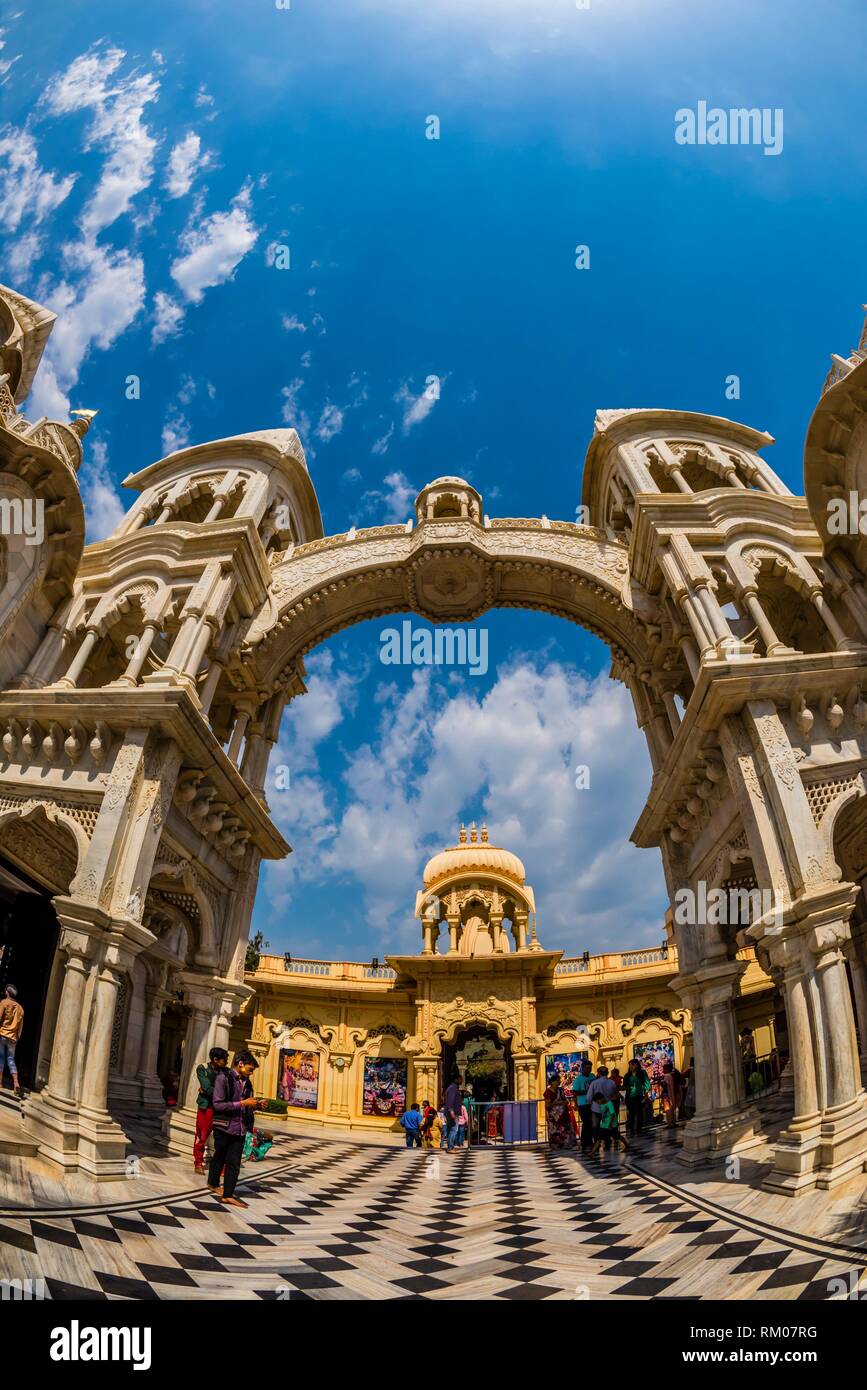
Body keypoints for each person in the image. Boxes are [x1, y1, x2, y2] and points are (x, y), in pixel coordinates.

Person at [207, 1051, 266, 1207]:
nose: (251, 1073)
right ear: (240, 1063)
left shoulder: (248, 1083)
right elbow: (218, 1104)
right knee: (219, 1156)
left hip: (239, 1128)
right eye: (250, 1069)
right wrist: (243, 1103)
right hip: (224, 1126)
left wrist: (256, 1106)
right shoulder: (223, 1078)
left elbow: (246, 1107)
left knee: (234, 1162)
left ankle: (228, 1194)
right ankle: (212, 1183)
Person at [193, 1046, 228, 1174]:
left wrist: (211, 1091)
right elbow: (206, 1088)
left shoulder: (226, 1071)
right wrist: (221, 1094)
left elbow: (210, 1090)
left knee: (222, 1139)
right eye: (224, 1060)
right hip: (206, 1107)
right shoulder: (203, 1068)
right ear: (215, 1059)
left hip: (222, 1110)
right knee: (201, 1136)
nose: (226, 1062)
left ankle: (221, 1167)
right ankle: (198, 1163)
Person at [585, 1065, 619, 1151]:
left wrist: (590, 1105)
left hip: (596, 1108)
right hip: (607, 1108)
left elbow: (589, 1097)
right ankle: (607, 1143)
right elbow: (615, 1094)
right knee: (607, 1126)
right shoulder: (612, 1082)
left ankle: (597, 1144)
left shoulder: (594, 1083)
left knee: (595, 1128)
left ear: (598, 1073)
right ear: (607, 1073)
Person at [0, 984, 23, 1097]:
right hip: (13, 1038)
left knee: (0, 1058)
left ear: (7, 993)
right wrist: (17, 1038)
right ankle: (16, 1083)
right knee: (11, 1060)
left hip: (2, 1035)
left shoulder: (3, 1003)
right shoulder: (20, 1009)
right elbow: (20, 1027)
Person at [544, 1079, 577, 1149]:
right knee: (555, 1130)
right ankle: (556, 1145)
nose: (558, 1082)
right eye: (556, 1081)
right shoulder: (548, 1092)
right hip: (554, 1115)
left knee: (565, 1129)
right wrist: (559, 1103)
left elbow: (565, 1099)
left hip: (563, 1113)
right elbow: (548, 1104)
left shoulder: (560, 1090)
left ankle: (567, 1144)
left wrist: (565, 1102)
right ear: (552, 1082)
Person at [571, 1060, 596, 1152]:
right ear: (582, 1068)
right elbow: (574, 1092)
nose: (588, 1070)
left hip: (593, 1103)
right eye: (586, 1068)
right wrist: (576, 1104)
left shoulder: (592, 1076)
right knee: (586, 1123)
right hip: (583, 1104)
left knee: (593, 1123)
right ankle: (585, 1144)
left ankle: (593, 1142)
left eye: (590, 1068)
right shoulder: (578, 1079)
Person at [624, 1058, 649, 1136]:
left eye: (633, 1065)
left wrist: (646, 1094)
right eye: (630, 1065)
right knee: (631, 1114)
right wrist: (628, 1088)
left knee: (640, 1113)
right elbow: (624, 1086)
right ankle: (631, 1130)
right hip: (630, 1097)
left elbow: (646, 1083)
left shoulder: (642, 1073)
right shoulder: (627, 1075)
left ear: (637, 1065)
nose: (631, 1067)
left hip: (639, 1096)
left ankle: (639, 1129)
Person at [444, 1070, 462, 1152]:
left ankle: (450, 1146)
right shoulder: (453, 1088)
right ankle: (450, 1148)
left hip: (453, 1112)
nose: (461, 1081)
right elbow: (450, 1101)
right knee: (453, 1130)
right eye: (460, 1079)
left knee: (451, 1129)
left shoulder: (453, 1088)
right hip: (452, 1112)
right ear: (456, 1079)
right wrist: (452, 1111)